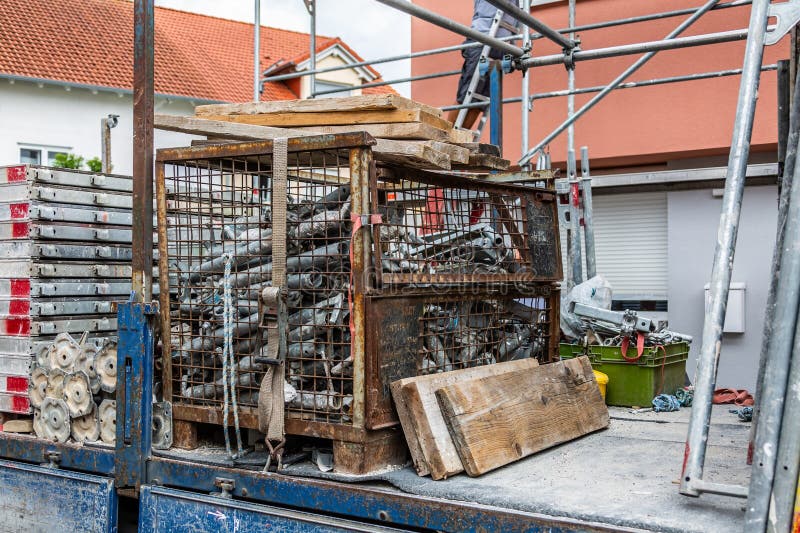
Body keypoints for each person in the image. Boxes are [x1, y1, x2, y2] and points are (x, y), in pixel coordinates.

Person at [447, 0, 520, 129]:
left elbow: (515, 23)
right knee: (467, 95)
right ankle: (446, 137)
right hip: (481, 40)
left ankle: (461, 138)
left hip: (501, 47)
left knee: (481, 101)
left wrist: (512, 51)